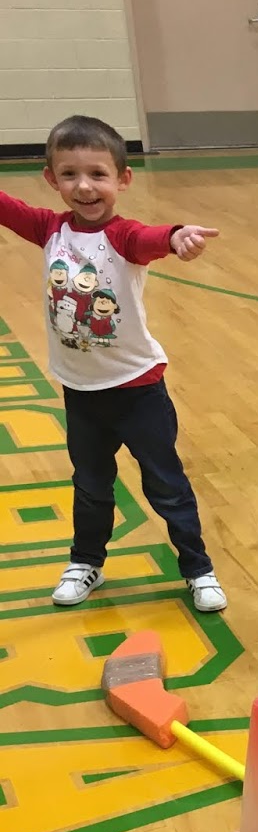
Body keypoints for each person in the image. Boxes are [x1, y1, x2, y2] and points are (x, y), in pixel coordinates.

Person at [0, 115, 225, 611]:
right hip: (81, 393)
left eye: (98, 174)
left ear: (122, 179)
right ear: (51, 179)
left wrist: (176, 236)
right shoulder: (50, 229)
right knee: (91, 486)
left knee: (166, 484)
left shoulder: (121, 236)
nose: (84, 186)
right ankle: (86, 563)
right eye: (70, 174)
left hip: (138, 389)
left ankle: (197, 568)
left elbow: (150, 239)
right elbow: (7, 208)